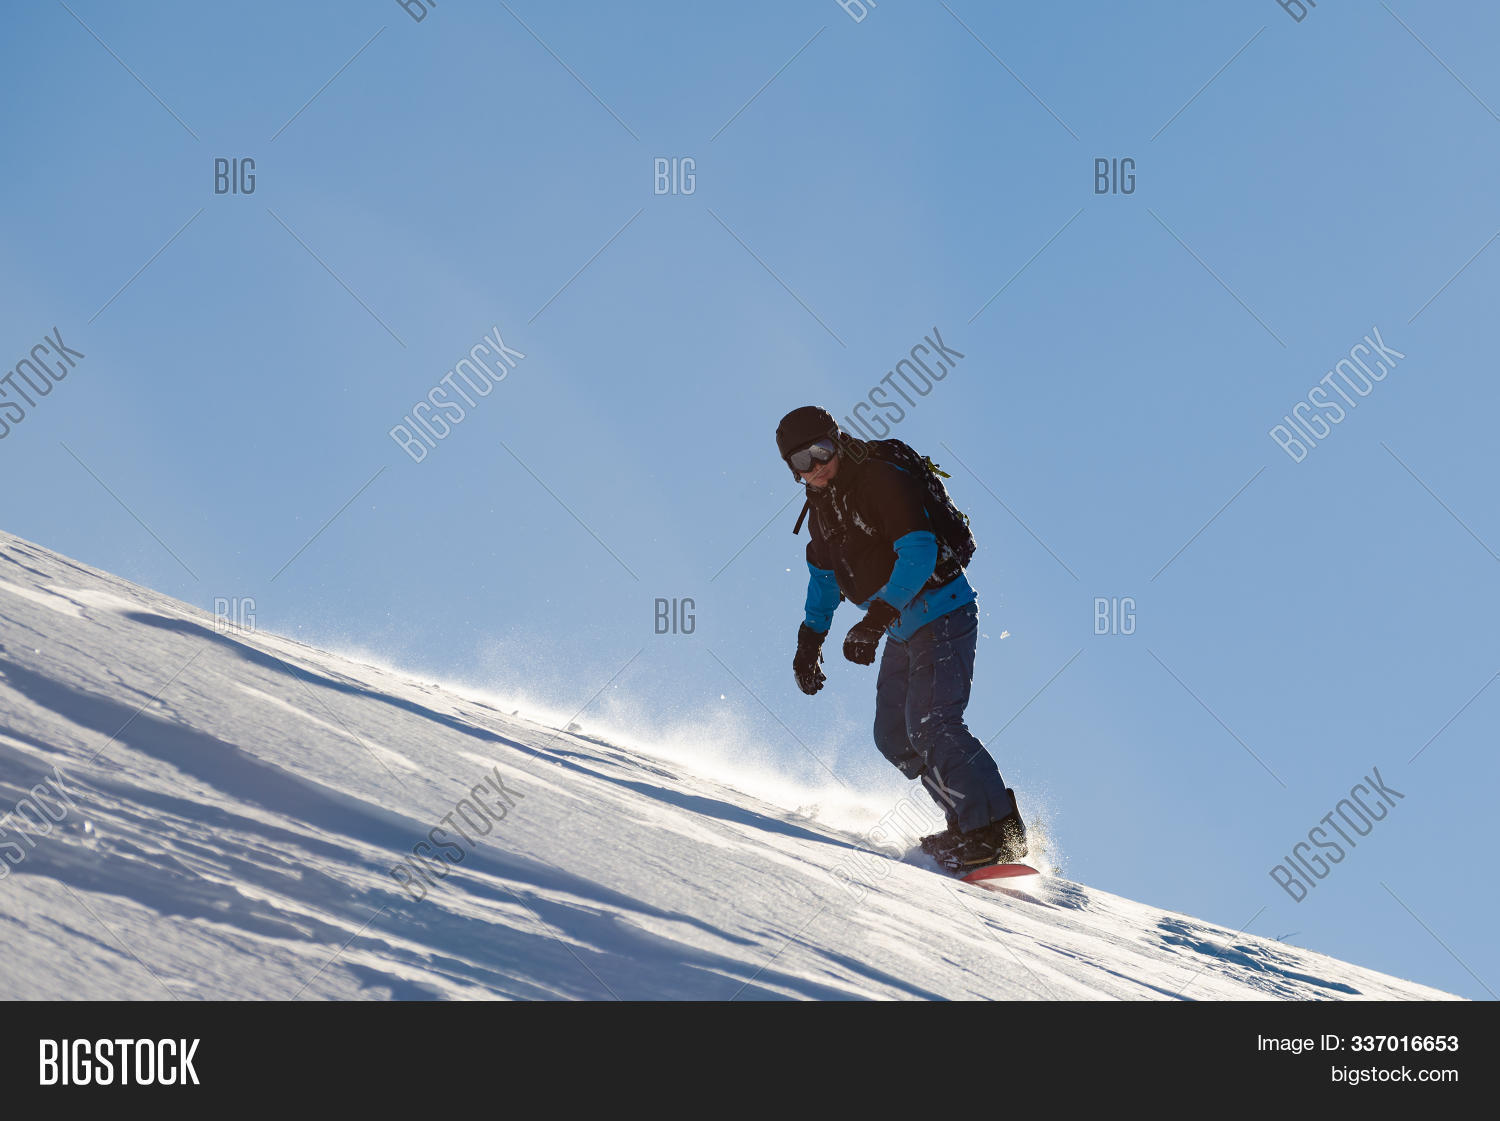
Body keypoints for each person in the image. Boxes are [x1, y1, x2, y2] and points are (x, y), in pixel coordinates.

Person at [775, 405, 1027, 871]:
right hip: (900, 626)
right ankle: (968, 822)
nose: (816, 467)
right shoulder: (821, 510)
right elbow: (825, 580)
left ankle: (997, 832)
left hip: (943, 610)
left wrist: (874, 621)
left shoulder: (879, 480)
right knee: (894, 735)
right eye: (801, 463)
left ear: (837, 441)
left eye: (821, 452)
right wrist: (809, 641)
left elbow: (919, 550)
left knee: (933, 723)